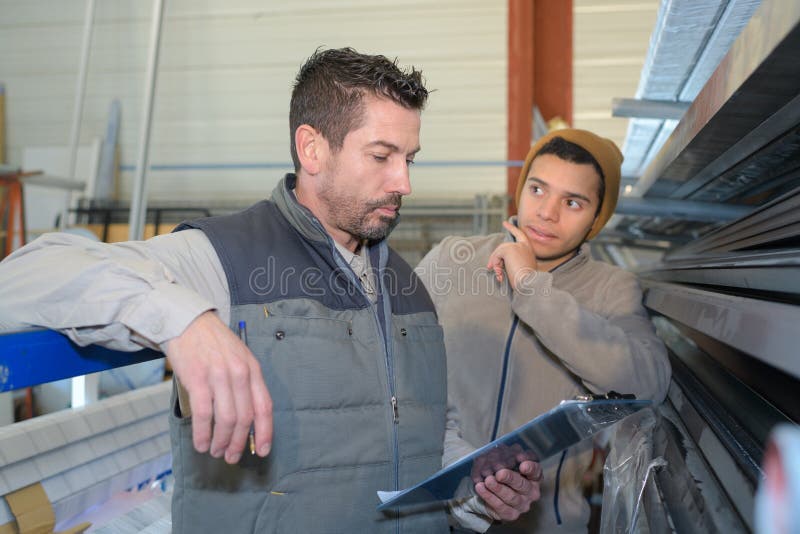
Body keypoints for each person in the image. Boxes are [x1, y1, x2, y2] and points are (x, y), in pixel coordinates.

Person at [0, 48, 542, 533]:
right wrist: (184, 321)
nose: (404, 182)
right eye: (382, 156)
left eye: (410, 158)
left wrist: (476, 488)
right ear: (312, 149)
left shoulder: (412, 289)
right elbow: (26, 275)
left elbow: (427, 436)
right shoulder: (224, 258)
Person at [415, 128, 671, 532]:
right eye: (537, 190)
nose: (547, 213)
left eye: (572, 202)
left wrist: (530, 287)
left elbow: (647, 383)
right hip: (436, 512)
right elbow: (396, 361)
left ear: (596, 219)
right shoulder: (451, 260)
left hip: (542, 524)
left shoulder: (610, 289)